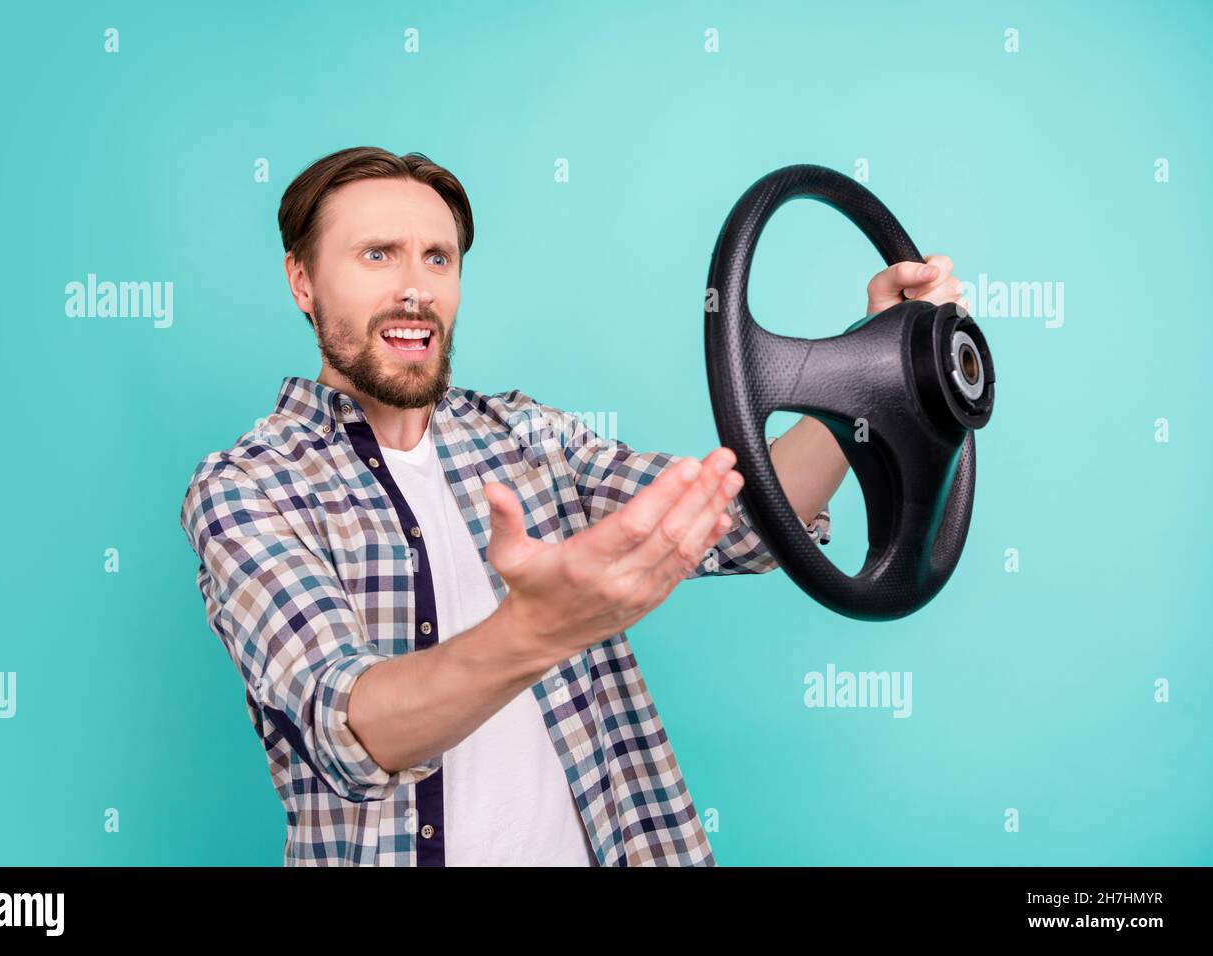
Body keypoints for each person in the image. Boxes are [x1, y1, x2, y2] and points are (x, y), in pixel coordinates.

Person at [178, 146, 966, 866]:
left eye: (438, 257)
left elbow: (747, 518)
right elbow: (352, 726)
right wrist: (537, 630)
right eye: (376, 255)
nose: (415, 288)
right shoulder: (248, 487)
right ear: (302, 282)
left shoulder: (527, 436)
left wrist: (872, 369)